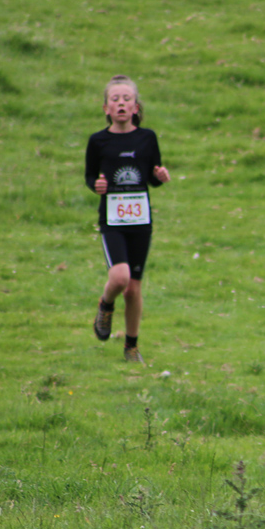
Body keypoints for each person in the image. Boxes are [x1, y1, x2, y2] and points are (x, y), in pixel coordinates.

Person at [85, 75, 171, 363]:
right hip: (112, 220)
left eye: (126, 99)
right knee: (120, 277)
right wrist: (95, 185)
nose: (121, 103)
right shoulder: (98, 141)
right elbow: (90, 176)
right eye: (115, 99)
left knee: (134, 288)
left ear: (135, 107)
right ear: (106, 108)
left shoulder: (147, 138)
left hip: (140, 220)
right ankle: (105, 304)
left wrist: (159, 177)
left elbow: (151, 175)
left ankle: (131, 347)